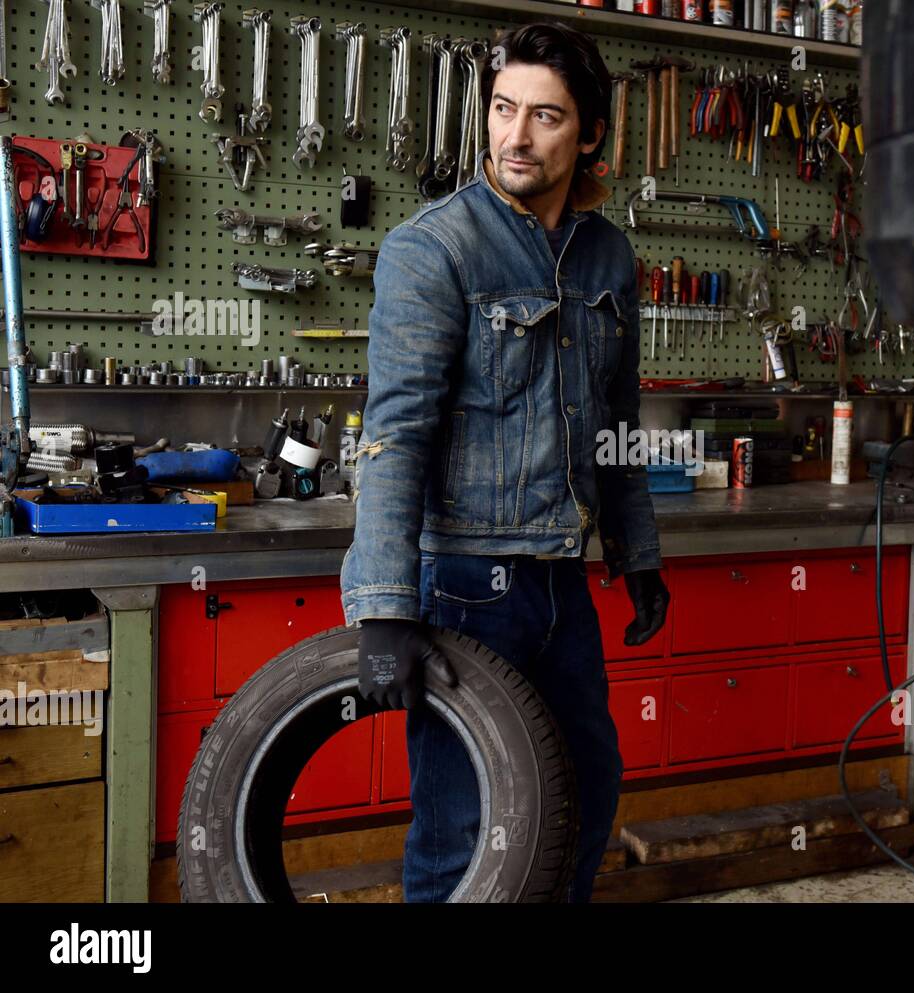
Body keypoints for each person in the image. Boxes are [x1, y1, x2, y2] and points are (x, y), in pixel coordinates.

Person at [339, 20, 670, 903]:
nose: (514, 136)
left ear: (591, 133)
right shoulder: (433, 248)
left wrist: (637, 552)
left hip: (562, 583)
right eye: (502, 108)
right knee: (462, 834)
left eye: (546, 116)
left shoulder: (607, 255)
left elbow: (619, 420)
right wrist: (382, 605)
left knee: (580, 801)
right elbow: (395, 430)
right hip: (465, 587)